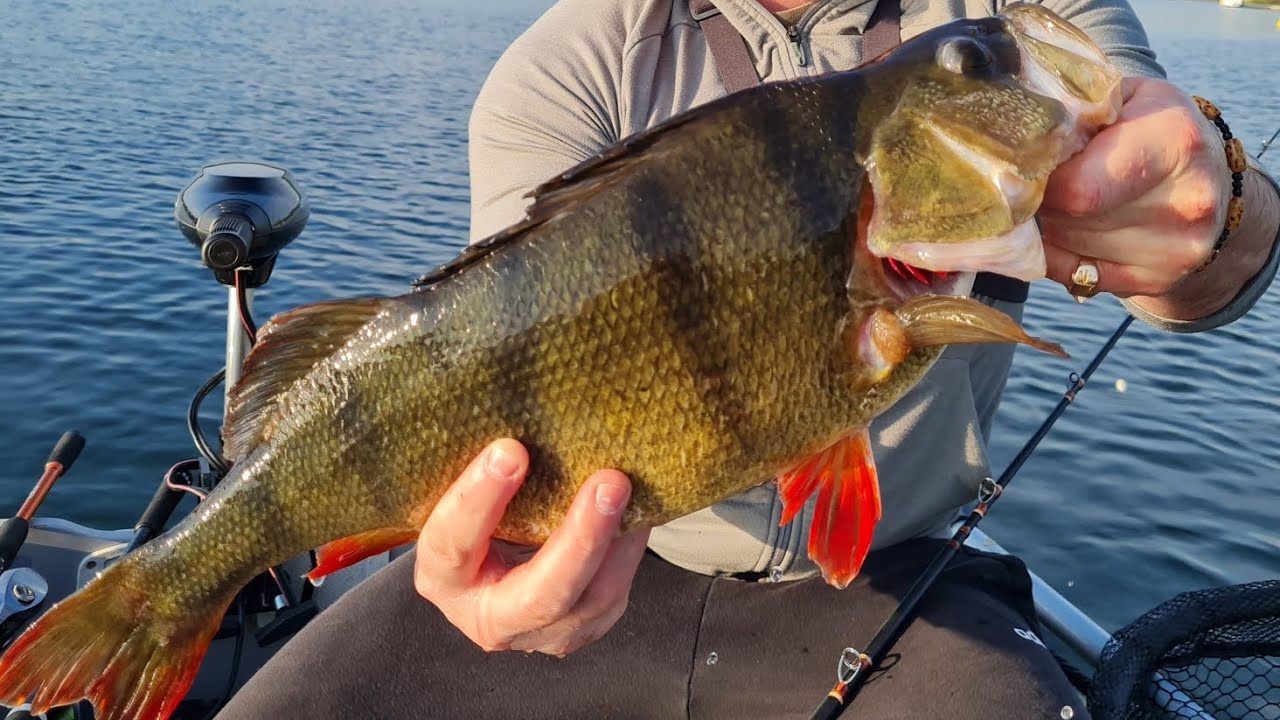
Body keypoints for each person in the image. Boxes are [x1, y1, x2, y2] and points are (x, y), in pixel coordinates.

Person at [219, 0, 1280, 717]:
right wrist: (479, 568)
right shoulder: (570, 64)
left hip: (897, 581)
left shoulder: (1001, 31)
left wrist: (1215, 202)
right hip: (605, 563)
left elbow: (1197, 241)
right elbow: (493, 354)